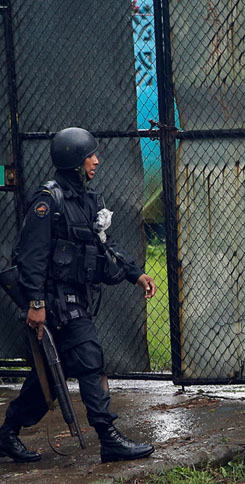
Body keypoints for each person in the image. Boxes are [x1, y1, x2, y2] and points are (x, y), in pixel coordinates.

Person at [0, 127, 156, 463]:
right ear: (74, 161)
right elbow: (31, 258)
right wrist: (37, 304)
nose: (96, 161)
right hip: (56, 301)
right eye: (90, 156)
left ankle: (7, 433)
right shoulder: (48, 202)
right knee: (90, 357)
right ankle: (108, 436)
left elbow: (104, 244)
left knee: (54, 373)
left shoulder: (88, 200)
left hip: (77, 297)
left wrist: (135, 273)